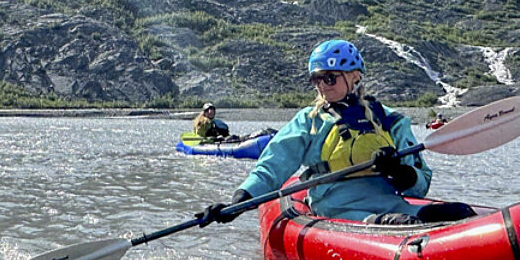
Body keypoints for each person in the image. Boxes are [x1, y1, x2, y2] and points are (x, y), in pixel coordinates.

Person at [196, 39, 474, 226]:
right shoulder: (310, 120)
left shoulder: (391, 121)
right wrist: (238, 202)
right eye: (316, 79)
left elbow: (420, 185)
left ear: (354, 77)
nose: (322, 86)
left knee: (461, 213)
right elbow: (272, 168)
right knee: (405, 226)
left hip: (391, 203)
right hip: (341, 211)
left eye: (329, 78)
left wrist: (398, 171)